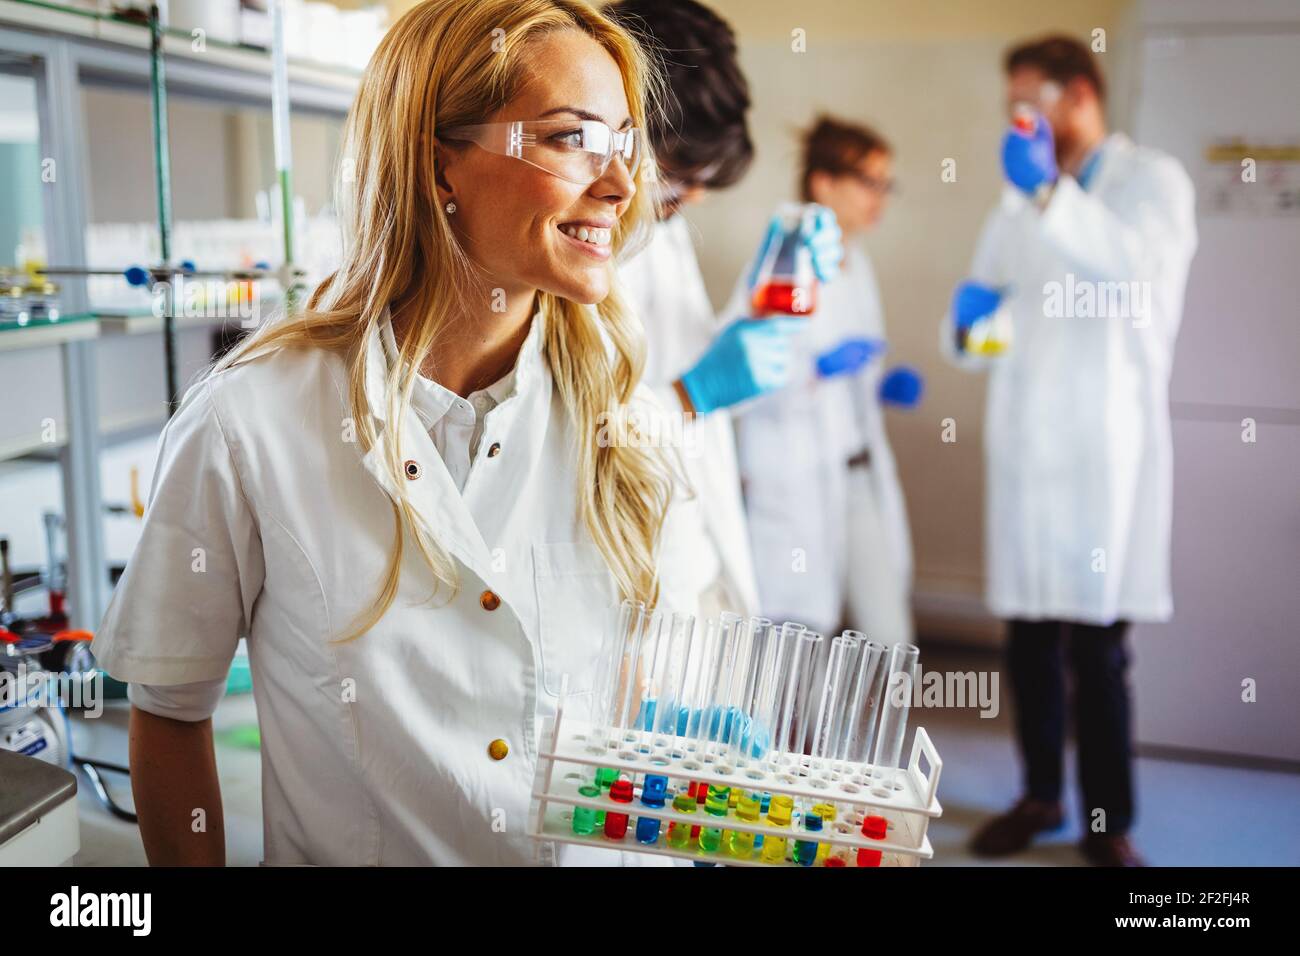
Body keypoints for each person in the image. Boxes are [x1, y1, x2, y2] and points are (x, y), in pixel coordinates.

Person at [90, 0, 707, 867]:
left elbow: (648, 699)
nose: (620, 184)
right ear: (439, 164)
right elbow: (169, 709)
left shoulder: (625, 413)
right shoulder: (252, 420)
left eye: (624, 142)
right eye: (570, 138)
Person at [948, 35, 1197, 867]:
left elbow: (1137, 274)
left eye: (1036, 99)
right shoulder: (1015, 204)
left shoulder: (1149, 183)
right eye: (1015, 102)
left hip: (1104, 452)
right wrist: (970, 326)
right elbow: (982, 331)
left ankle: (1107, 822)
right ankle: (1038, 796)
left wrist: (1050, 195)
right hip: (1027, 451)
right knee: (1026, 640)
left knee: (1096, 648)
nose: (1024, 119)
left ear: (1080, 94)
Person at [607, 0, 842, 620]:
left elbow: (690, 348)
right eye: (681, 177)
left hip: (692, 544)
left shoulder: (660, 220)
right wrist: (690, 396)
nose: (693, 197)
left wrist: (767, 284)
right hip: (628, 575)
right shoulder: (570, 237)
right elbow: (572, 434)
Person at [734, 117, 921, 643]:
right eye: (869, 182)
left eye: (886, 184)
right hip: (799, 474)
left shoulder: (856, 264)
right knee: (799, 640)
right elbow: (742, 367)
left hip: (858, 470)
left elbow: (856, 371)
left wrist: (877, 388)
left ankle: (875, 728)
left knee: (889, 633)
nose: (879, 197)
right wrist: (813, 371)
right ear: (823, 182)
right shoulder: (783, 259)